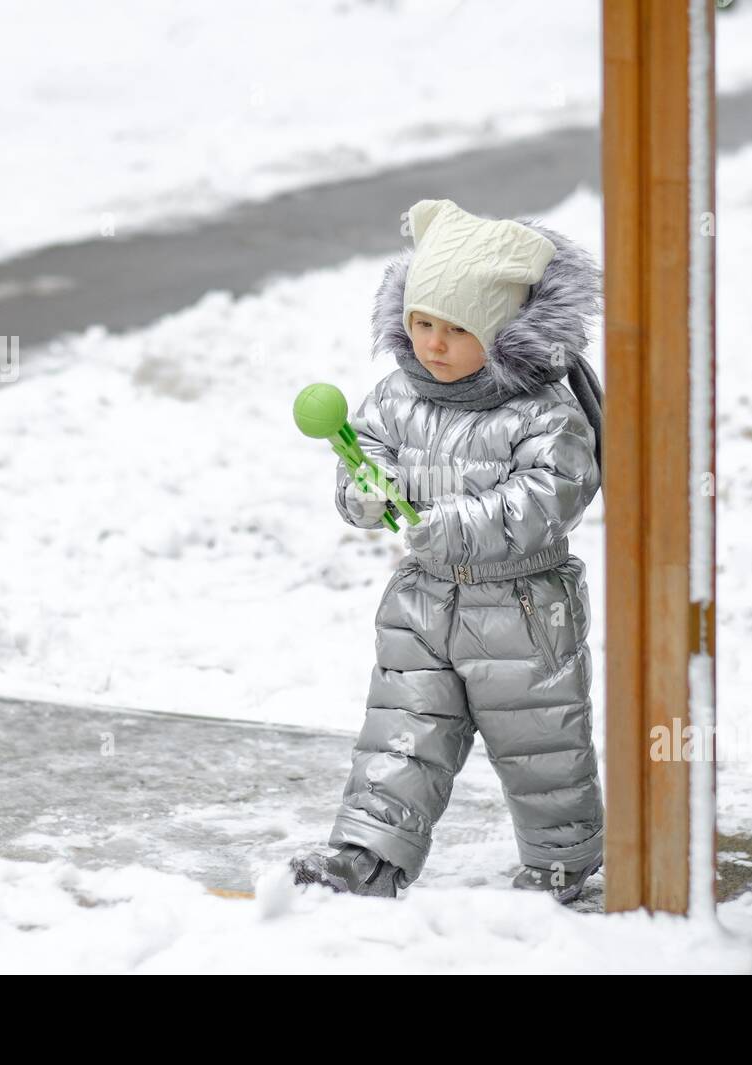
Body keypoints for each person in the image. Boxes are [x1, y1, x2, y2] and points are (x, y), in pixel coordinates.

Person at [290, 198, 606, 905]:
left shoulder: (542, 410)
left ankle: (561, 862)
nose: (433, 343)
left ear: (501, 332)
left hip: (523, 607)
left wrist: (458, 520)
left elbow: (556, 491)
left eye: (456, 328)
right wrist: (363, 491)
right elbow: (363, 451)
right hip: (423, 599)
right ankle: (367, 854)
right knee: (402, 726)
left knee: (540, 745)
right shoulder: (400, 395)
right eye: (422, 322)